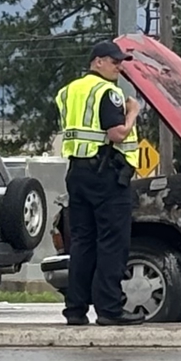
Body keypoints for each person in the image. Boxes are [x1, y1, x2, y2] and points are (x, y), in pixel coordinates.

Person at [56, 40, 142, 326]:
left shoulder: (69, 91)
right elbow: (117, 133)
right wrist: (132, 112)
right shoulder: (109, 92)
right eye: (114, 61)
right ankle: (109, 310)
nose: (119, 66)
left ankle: (75, 310)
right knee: (112, 243)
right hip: (105, 174)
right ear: (97, 62)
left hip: (77, 173)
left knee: (82, 243)